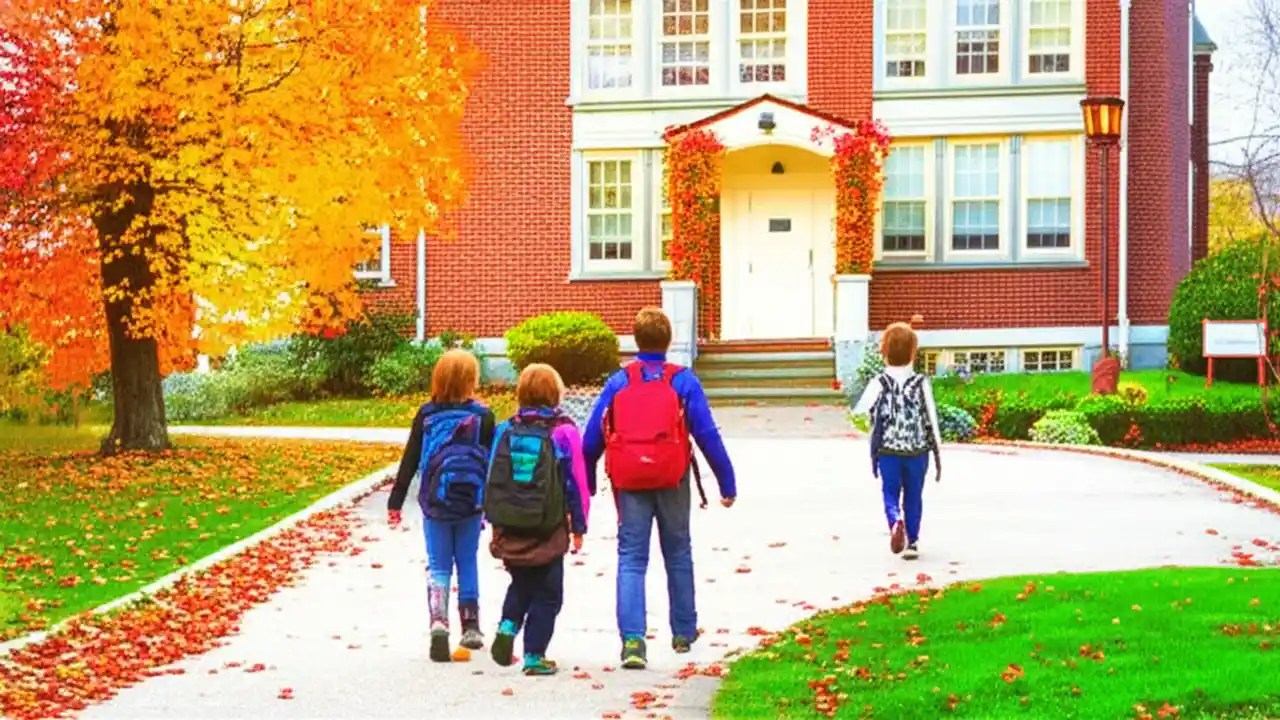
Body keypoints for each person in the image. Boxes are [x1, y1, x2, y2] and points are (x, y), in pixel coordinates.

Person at [583, 307, 736, 671]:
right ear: (668, 342)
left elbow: (592, 436)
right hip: (673, 476)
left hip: (630, 479)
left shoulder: (619, 381)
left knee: (632, 557)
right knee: (678, 551)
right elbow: (706, 434)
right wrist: (726, 481)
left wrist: (587, 479)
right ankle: (683, 631)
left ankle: (633, 641)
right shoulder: (683, 381)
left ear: (636, 341)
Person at [387, 349, 495, 662]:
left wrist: (396, 501)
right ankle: (471, 624)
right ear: (471, 380)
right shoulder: (483, 417)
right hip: (471, 503)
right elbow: (490, 464)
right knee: (467, 560)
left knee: (438, 563)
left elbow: (410, 460)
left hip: (435, 502)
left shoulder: (427, 415)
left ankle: (438, 623)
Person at [484, 363, 589, 677]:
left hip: (510, 522)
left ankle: (507, 626)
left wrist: (490, 518)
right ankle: (534, 655)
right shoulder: (564, 432)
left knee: (521, 580)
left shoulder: (505, 429)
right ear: (555, 393)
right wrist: (579, 525)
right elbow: (576, 483)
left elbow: (491, 475)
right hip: (549, 526)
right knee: (548, 592)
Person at [852, 322, 943, 560]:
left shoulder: (879, 382)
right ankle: (912, 542)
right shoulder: (921, 383)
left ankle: (895, 521)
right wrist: (938, 450)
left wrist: (869, 428)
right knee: (914, 495)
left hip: (888, 450)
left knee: (890, 491)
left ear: (883, 352)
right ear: (914, 352)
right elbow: (931, 417)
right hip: (917, 451)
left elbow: (860, 410)